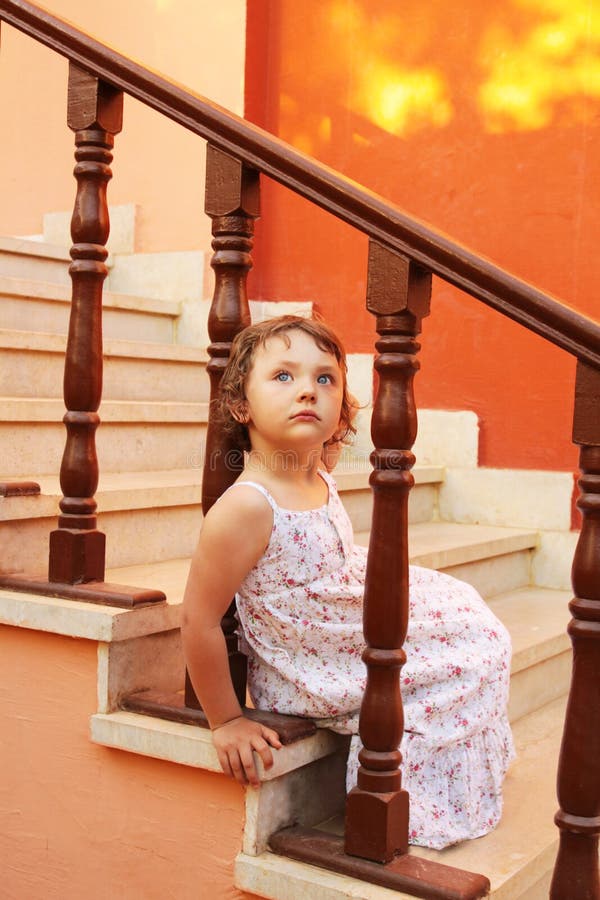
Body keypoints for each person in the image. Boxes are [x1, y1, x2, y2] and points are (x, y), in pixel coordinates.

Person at [182, 315, 515, 850]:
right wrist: (225, 720)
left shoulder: (315, 465)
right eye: (283, 377)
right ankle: (413, 794)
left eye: (325, 379)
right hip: (311, 655)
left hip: (340, 606)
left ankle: (456, 772)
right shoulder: (246, 508)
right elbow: (198, 620)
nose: (307, 392)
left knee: (468, 609)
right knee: (478, 648)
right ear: (242, 407)